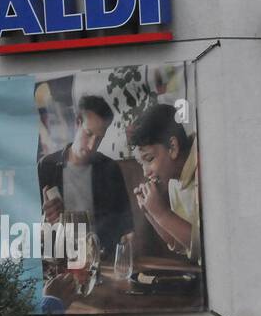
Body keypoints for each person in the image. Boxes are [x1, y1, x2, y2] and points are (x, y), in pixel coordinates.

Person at [38, 95, 133, 249]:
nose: (91, 146)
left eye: (99, 138)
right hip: (58, 259)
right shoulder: (47, 167)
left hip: (99, 259)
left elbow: (125, 228)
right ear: (77, 123)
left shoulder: (110, 169)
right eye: (88, 134)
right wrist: (46, 222)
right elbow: (28, 229)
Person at [128, 104, 202, 264]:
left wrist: (162, 213)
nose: (145, 172)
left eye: (149, 159)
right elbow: (180, 244)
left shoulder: (203, 168)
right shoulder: (172, 180)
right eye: (141, 163)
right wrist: (151, 213)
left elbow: (203, 245)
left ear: (173, 147)